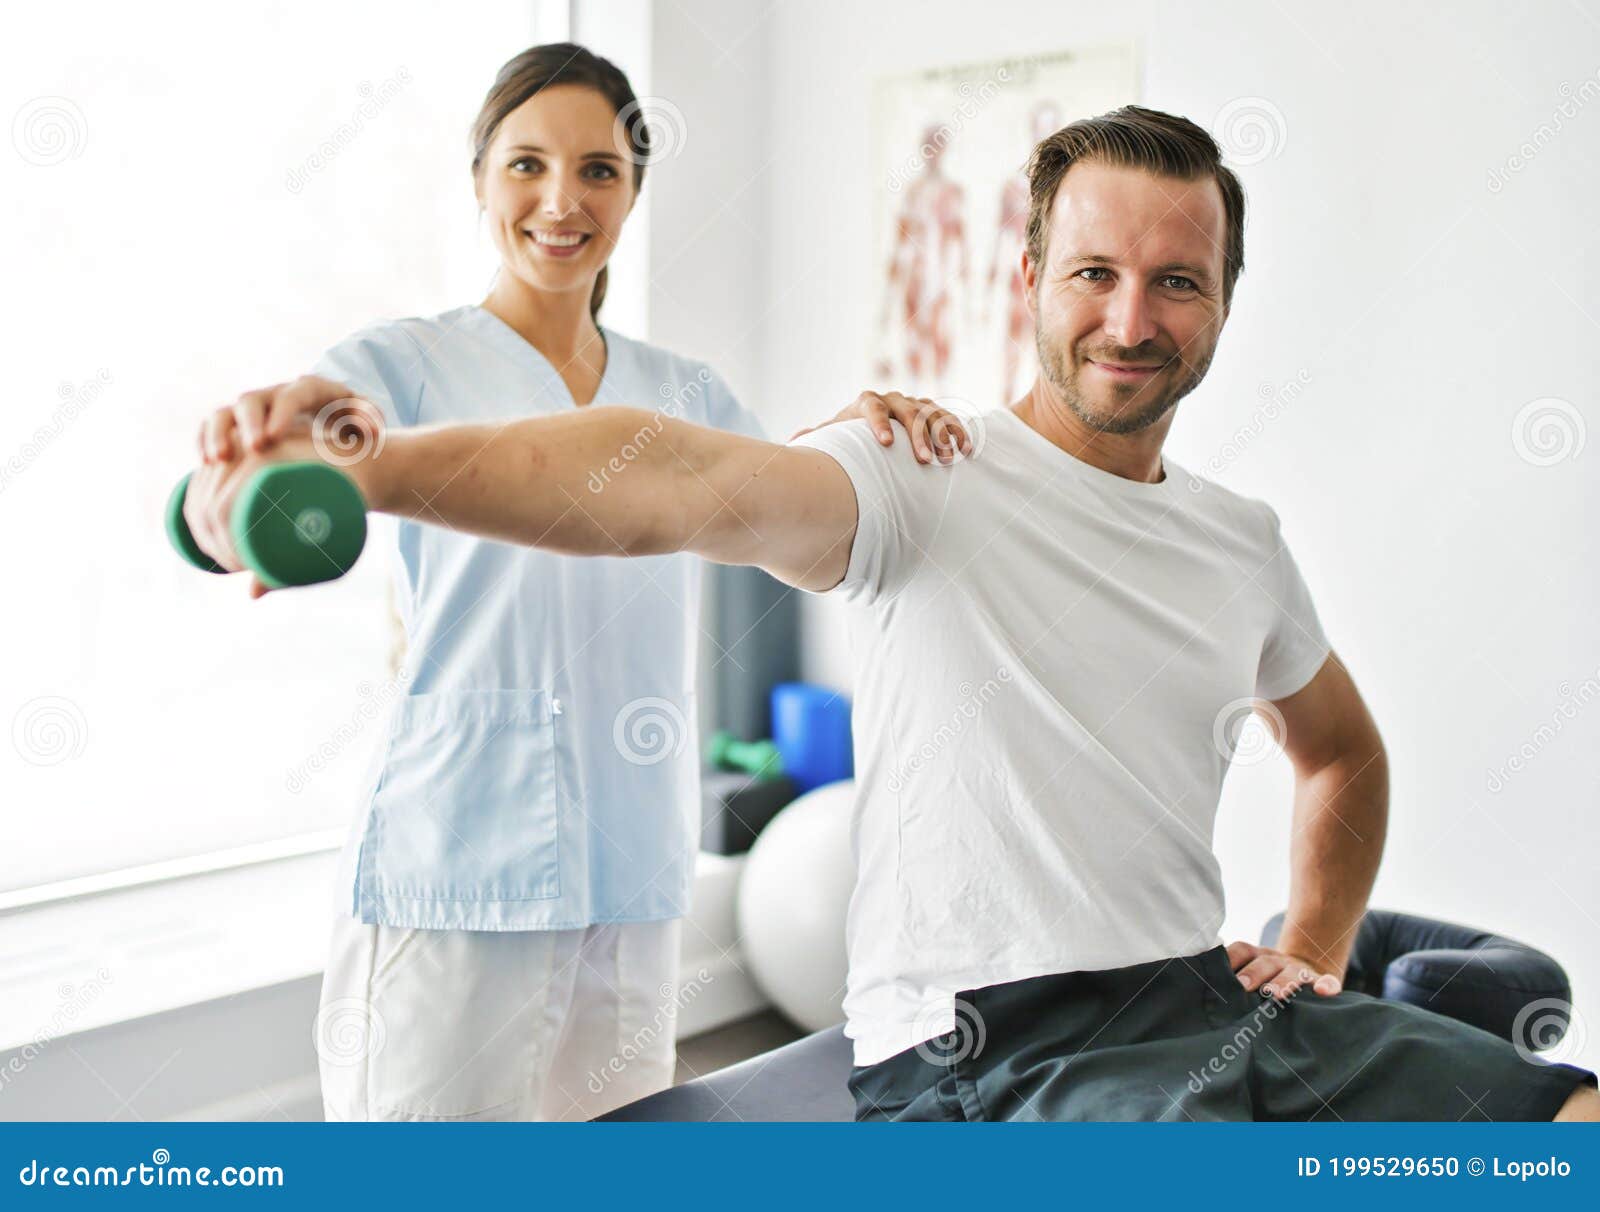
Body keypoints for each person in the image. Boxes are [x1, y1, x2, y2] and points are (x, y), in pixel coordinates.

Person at [184, 104, 1599, 1122]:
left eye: (1178, 280)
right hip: (985, 1050)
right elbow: (663, 480)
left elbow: (1340, 749)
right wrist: (374, 470)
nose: (1131, 317)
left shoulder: (1242, 542)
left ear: (1225, 303)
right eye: (1094, 272)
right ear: (1028, 278)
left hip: (1206, 1002)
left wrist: (1323, 948)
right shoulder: (924, 473)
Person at [189, 42, 969, 1123]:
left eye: (599, 170)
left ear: (634, 190)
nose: (563, 200)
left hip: (628, 871)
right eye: (526, 165)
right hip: (455, 865)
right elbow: (279, 462)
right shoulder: (398, 365)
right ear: (478, 181)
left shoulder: (681, 389)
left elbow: (779, 499)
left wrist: (865, 431)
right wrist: (236, 489)